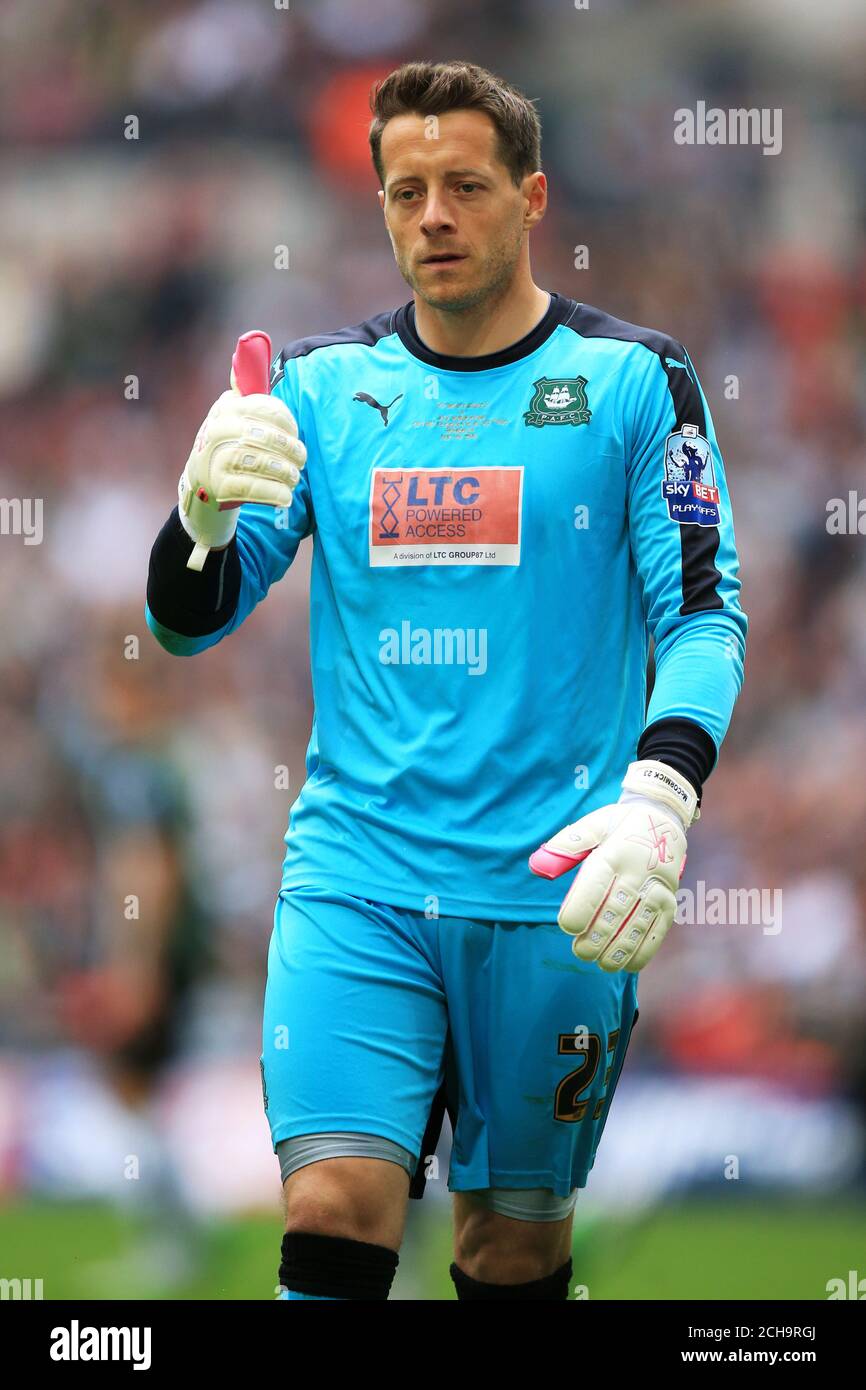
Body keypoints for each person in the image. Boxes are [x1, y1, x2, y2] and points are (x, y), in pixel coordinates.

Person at [145, 60, 747, 1301]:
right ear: (377, 205)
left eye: (464, 185)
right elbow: (186, 622)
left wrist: (660, 798)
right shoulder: (316, 392)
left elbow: (701, 614)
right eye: (405, 189)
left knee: (507, 1250)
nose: (433, 215)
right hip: (355, 877)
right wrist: (196, 517)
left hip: (553, 890)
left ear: (531, 196)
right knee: (331, 1203)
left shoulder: (635, 382)